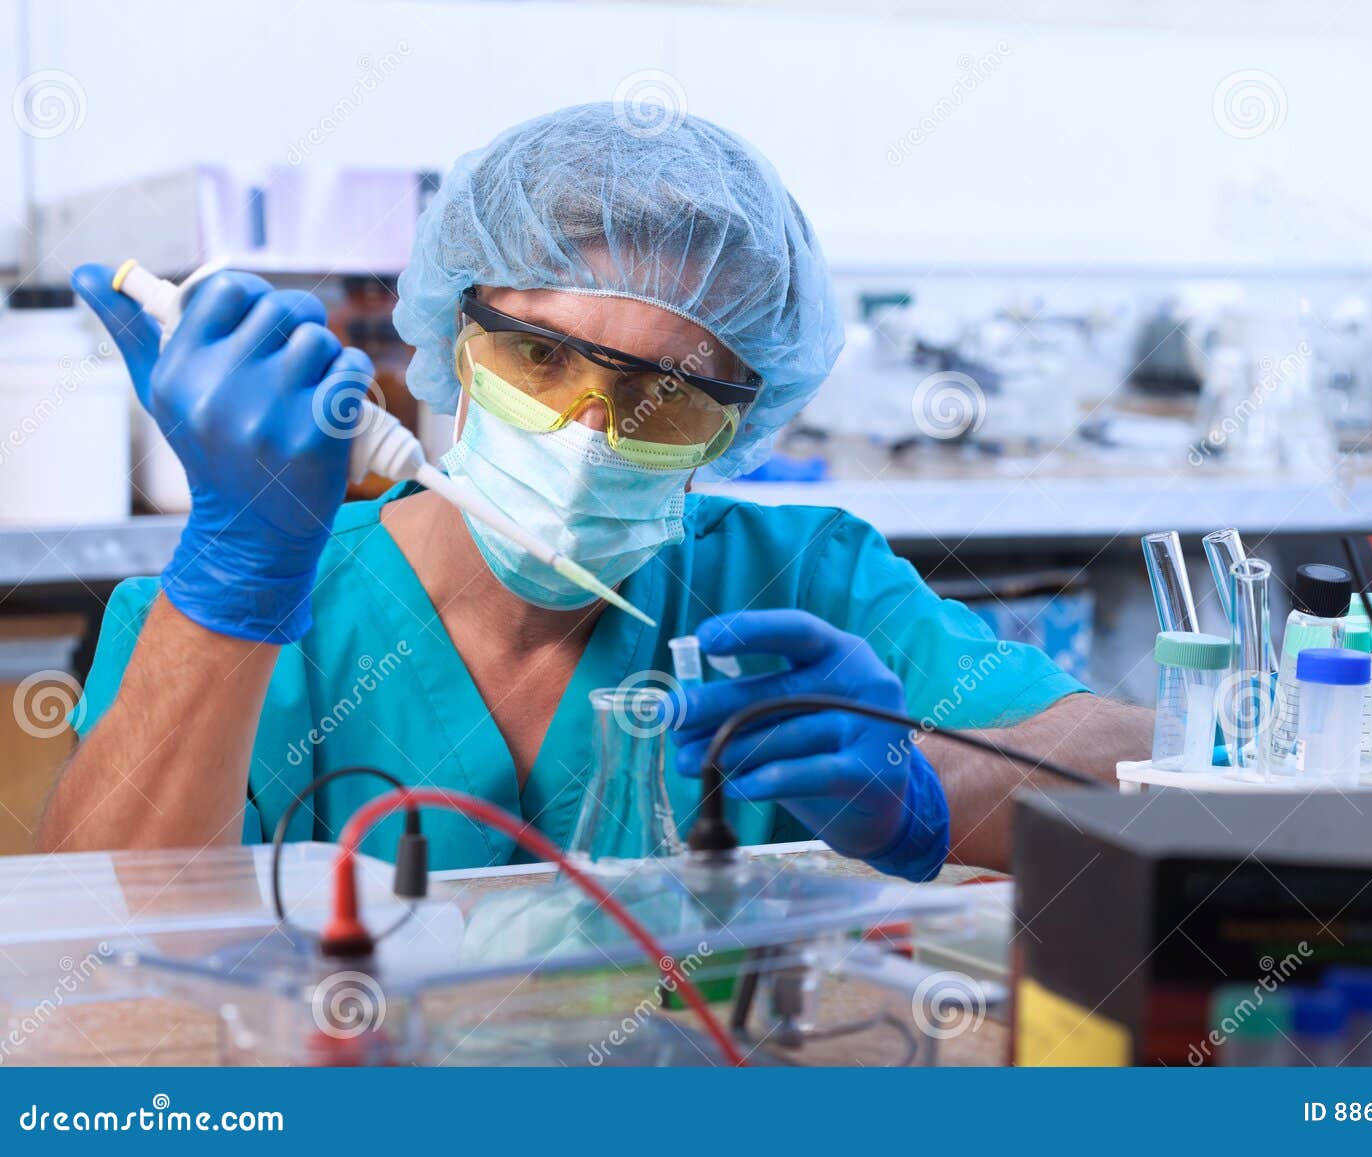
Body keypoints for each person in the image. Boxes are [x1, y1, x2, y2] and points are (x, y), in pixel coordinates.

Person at [39, 104, 1150, 879]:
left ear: (740, 424)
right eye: (538, 358)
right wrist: (235, 578)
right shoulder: (229, 614)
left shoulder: (802, 585)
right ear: (446, 340)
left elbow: (1151, 768)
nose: (583, 435)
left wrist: (926, 785)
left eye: (661, 399)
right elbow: (78, 968)